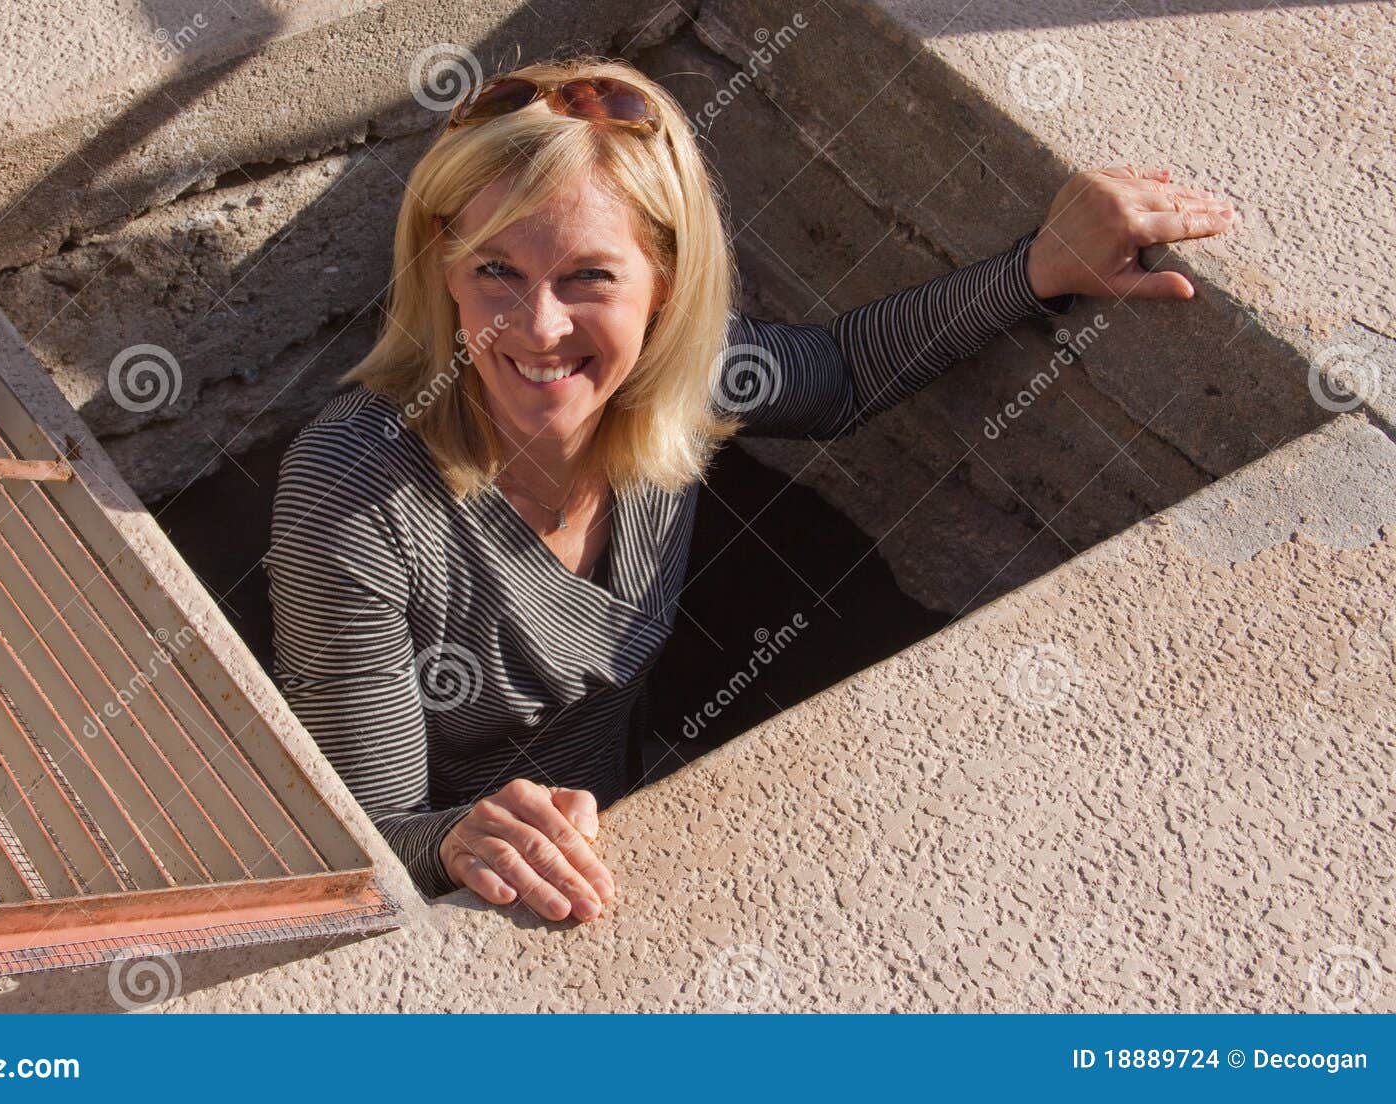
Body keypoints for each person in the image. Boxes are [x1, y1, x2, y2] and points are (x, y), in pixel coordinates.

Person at [262, 55, 1237, 924]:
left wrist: (1040, 266)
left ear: (666, 282)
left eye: (590, 277)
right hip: (494, 897)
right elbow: (360, 844)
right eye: (496, 270)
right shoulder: (356, 496)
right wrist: (455, 841)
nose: (536, 327)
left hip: (634, 815)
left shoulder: (674, 384)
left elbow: (842, 372)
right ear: (443, 265)